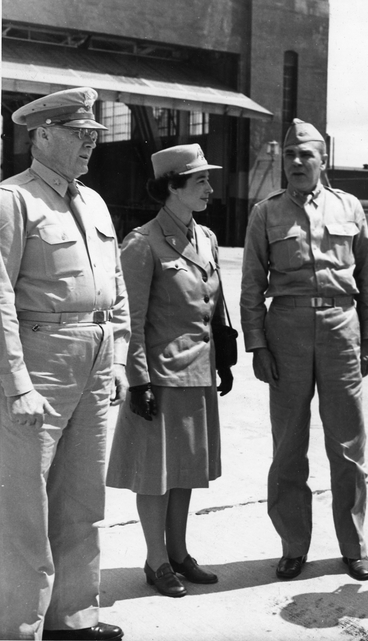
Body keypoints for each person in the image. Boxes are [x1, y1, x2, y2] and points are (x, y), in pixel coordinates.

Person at [0, 87, 129, 640]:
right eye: (80, 134)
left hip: (96, 359)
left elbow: (116, 287)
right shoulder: (13, 199)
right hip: (41, 358)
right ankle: (19, 628)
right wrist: (16, 383)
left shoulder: (95, 202)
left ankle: (74, 619)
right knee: (25, 508)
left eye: (94, 135)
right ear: (43, 134)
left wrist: (119, 356)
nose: (90, 144)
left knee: (83, 498)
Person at [240, 118, 368, 581]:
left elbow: (367, 278)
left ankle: (353, 545)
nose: (297, 162)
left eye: (306, 155)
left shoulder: (351, 207)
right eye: (290, 155)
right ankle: (293, 543)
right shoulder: (266, 213)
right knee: (288, 447)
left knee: (347, 446)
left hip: (342, 329)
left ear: (323, 160)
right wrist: (257, 345)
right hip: (287, 333)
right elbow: (251, 287)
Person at [106, 144, 230, 598]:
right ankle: (156, 560)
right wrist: (137, 382)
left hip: (199, 375)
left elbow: (214, 302)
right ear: (172, 187)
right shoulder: (142, 243)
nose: (210, 189)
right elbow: (130, 321)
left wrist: (227, 350)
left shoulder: (207, 238)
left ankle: (179, 553)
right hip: (160, 378)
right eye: (200, 181)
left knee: (186, 469)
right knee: (156, 475)